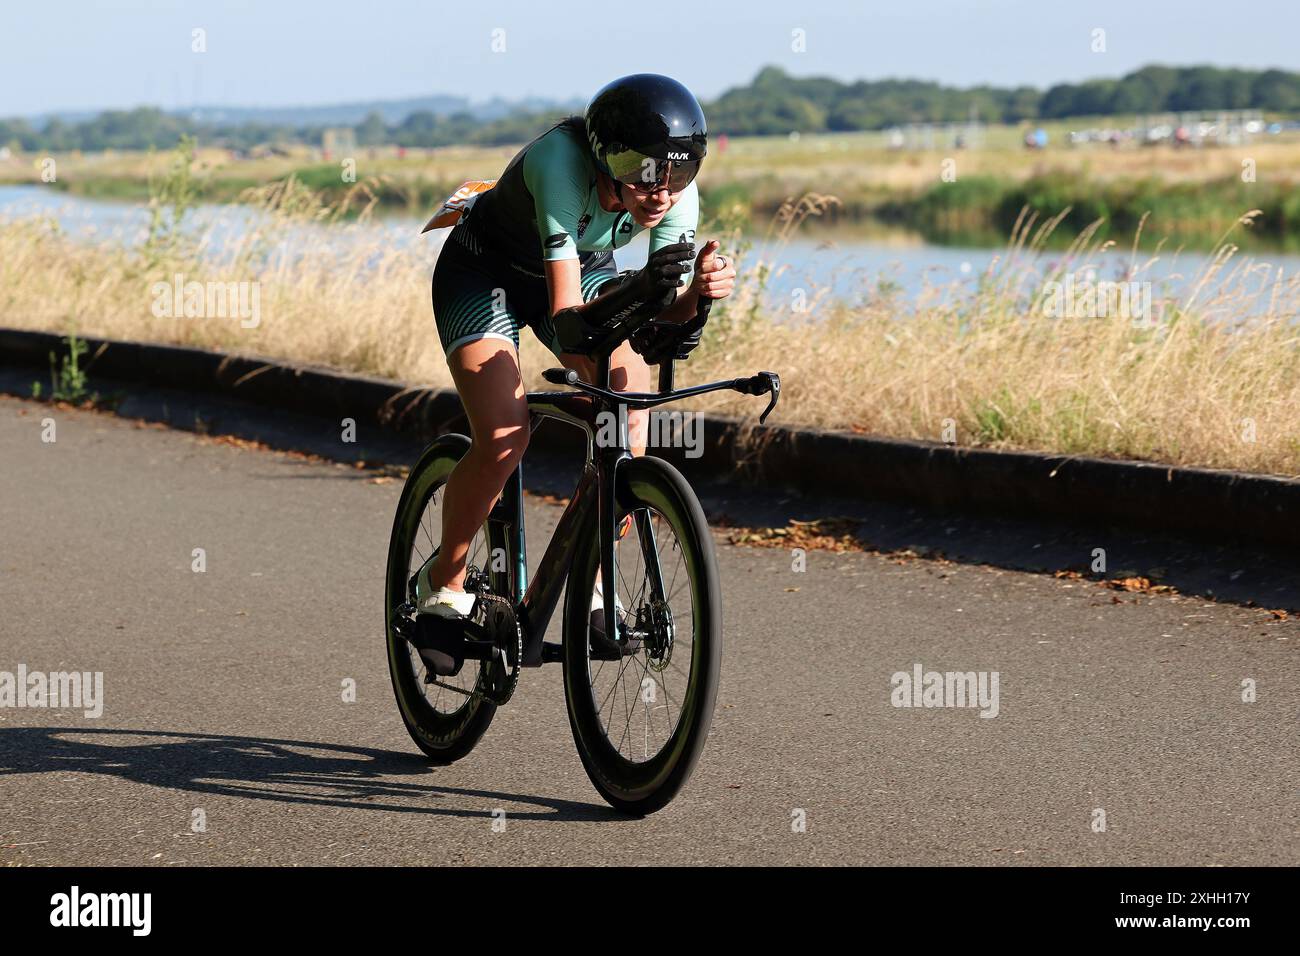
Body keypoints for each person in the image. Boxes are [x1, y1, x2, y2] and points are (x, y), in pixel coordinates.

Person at [422, 73, 736, 636]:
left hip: (580, 271)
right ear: (602, 155)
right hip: (484, 273)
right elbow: (569, 323)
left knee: (628, 414)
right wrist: (641, 289)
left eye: (679, 172)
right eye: (642, 172)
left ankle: (591, 581)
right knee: (504, 435)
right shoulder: (560, 164)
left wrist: (695, 294)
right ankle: (443, 585)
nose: (661, 192)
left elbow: (661, 316)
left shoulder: (675, 196)